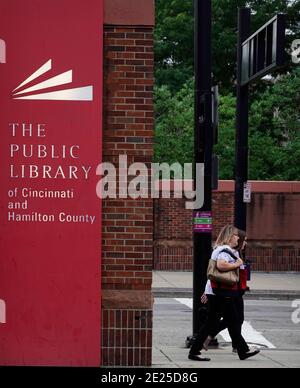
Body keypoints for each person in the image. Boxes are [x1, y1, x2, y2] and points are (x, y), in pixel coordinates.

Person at [188, 224, 260, 361]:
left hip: (219, 292)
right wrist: (237, 264)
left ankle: (242, 351)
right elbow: (221, 265)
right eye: (235, 235)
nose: (238, 237)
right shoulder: (225, 249)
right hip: (221, 292)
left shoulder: (219, 248)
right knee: (225, 321)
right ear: (229, 236)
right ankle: (195, 351)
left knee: (230, 321)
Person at [202, 229, 249, 352]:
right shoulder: (230, 252)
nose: (244, 242)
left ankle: (237, 347)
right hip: (229, 291)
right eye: (244, 240)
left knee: (233, 319)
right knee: (234, 319)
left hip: (235, 290)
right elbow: (217, 271)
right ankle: (238, 347)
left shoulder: (237, 253)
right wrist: (207, 290)